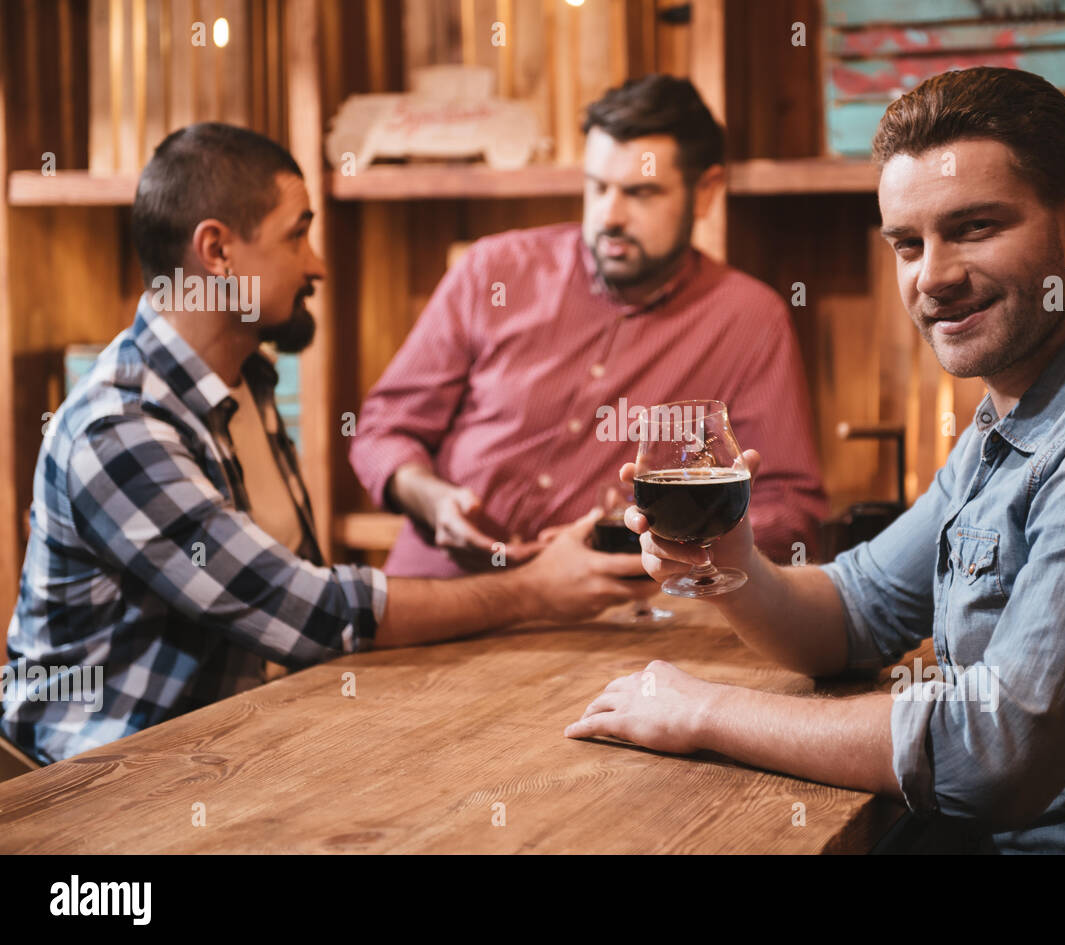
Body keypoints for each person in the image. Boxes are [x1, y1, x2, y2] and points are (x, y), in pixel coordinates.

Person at [566, 67, 1065, 854]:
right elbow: (857, 609)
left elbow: (995, 753)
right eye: (907, 244)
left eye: (975, 227)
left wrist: (703, 711)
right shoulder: (1020, 409)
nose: (934, 277)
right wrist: (734, 563)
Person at [2, 123, 646, 765]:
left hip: (229, 754)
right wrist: (534, 590)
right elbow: (310, 614)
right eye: (297, 234)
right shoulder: (120, 428)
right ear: (217, 253)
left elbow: (299, 598)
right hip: (97, 794)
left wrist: (511, 564)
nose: (317, 264)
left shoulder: (245, 381)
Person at [349, 74, 826, 579]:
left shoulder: (748, 318)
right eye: (598, 187)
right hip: (438, 591)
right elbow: (382, 429)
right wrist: (432, 499)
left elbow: (791, 513)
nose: (610, 216)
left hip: (604, 621)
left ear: (705, 191)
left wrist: (630, 534)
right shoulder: (492, 270)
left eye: (641, 193)